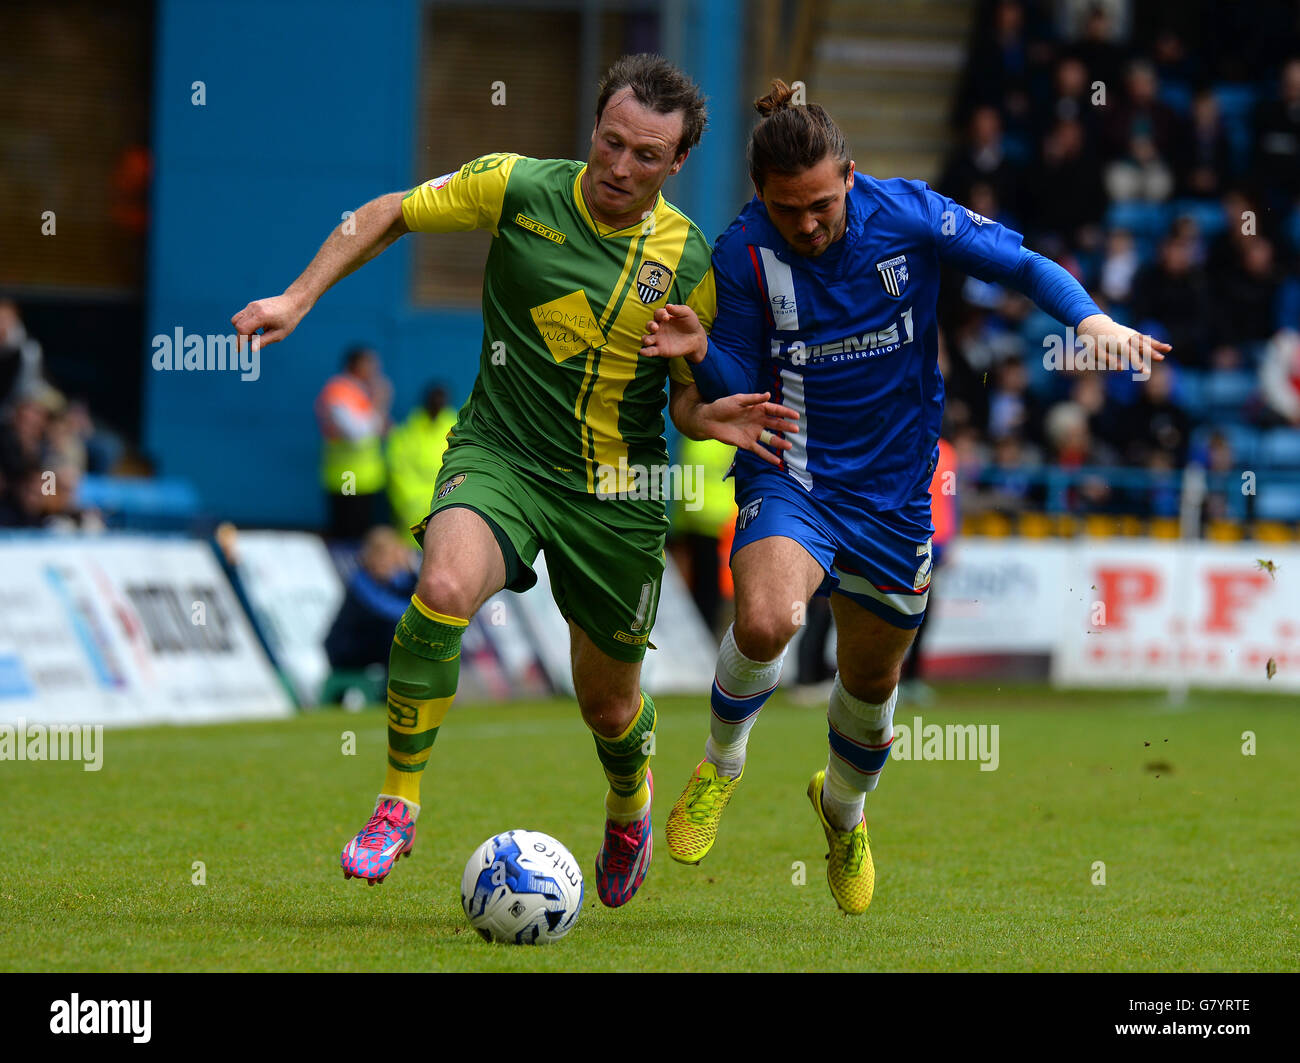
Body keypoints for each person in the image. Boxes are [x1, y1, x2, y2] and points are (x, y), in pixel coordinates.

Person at [231, 54, 796, 907]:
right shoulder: (518, 186)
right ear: (593, 129)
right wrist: (299, 297)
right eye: (611, 142)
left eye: (647, 156)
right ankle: (397, 802)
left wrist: (709, 413)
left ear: (678, 164)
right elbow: (388, 214)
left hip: (618, 493)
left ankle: (628, 804)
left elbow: (684, 401)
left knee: (608, 707)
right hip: (502, 453)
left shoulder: (691, 264)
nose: (620, 166)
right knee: (446, 582)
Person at [641, 80, 1168, 914]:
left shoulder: (912, 216)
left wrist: (1089, 320)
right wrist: (705, 351)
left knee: (870, 683)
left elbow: (1023, 264)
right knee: (769, 617)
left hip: (895, 495)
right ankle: (722, 762)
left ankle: (843, 815)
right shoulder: (740, 253)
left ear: (849, 176)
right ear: (760, 201)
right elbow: (738, 388)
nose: (807, 225)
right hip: (796, 472)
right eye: (787, 211)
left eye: (819, 204)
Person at [315, 345, 392, 539]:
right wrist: (379, 405)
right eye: (370, 363)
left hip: (365, 479)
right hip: (347, 477)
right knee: (347, 531)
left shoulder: (362, 391)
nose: (376, 368)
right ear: (356, 365)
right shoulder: (338, 391)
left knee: (361, 531)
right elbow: (356, 433)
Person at [385, 382, 458, 536]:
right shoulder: (407, 432)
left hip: (447, 506)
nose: (437, 405)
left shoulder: (458, 430)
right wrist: (411, 502)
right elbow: (397, 470)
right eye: (434, 401)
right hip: (413, 511)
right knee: (413, 555)